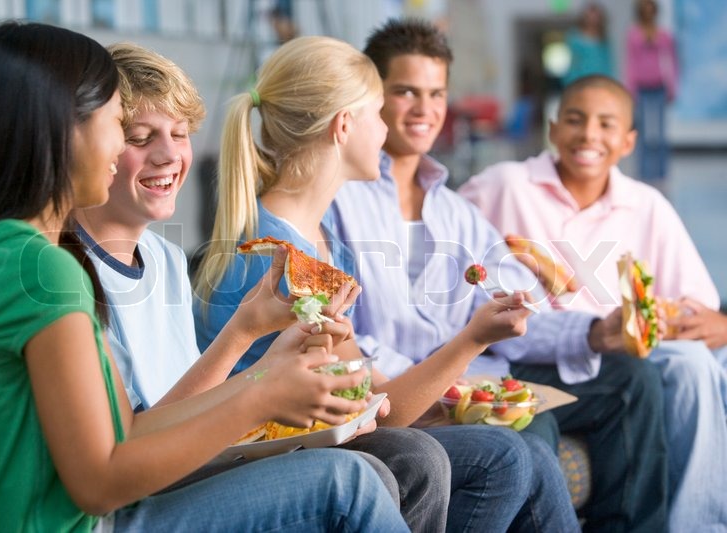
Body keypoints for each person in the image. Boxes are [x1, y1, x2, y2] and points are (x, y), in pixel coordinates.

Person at [0, 21, 408, 532]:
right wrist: (261, 397)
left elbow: (127, 434)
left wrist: (265, 371)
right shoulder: (43, 270)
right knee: (348, 483)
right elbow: (100, 483)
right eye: (122, 128)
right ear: (59, 129)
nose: (120, 151)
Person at [193, 33, 580, 532]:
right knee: (499, 457)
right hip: (268, 455)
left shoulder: (322, 236)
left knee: (519, 451)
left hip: (321, 434)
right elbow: (378, 410)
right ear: (344, 126)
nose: (385, 130)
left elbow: (377, 394)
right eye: (378, 113)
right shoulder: (283, 259)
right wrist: (472, 340)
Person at [73, 41, 451, 530]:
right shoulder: (68, 277)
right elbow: (131, 449)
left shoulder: (164, 257)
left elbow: (183, 406)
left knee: (413, 458)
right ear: (96, 146)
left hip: (182, 460)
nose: (168, 154)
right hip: (134, 497)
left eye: (181, 133)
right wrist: (262, 382)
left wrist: (260, 350)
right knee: (360, 478)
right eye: (141, 137)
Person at [328, 19, 670, 532]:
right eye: (406, 92)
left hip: (470, 375)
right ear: (372, 98)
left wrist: (596, 331)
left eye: (436, 93)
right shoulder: (339, 203)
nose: (425, 109)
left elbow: (512, 305)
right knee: (535, 428)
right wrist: (447, 375)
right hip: (407, 389)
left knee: (633, 379)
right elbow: (345, 338)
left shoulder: (453, 209)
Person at [460, 74, 727, 530]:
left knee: (694, 364)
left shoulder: (647, 205)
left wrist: (716, 323)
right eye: (576, 120)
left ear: (627, 141)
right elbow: (448, 239)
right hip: (529, 352)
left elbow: (697, 305)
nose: (588, 135)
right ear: (553, 129)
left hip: (619, 351)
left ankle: (697, 525)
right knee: (640, 376)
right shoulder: (504, 185)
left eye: (606, 125)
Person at [625, 0, 678, 182]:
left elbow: (671, 63)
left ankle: (661, 172)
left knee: (661, 134)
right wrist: (630, 89)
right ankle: (643, 172)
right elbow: (631, 63)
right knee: (643, 133)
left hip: (660, 87)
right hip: (641, 88)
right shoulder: (634, 35)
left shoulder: (664, 36)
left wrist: (672, 87)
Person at [562, 2, 614, 87]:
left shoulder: (603, 39)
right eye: (590, 15)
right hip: (581, 84)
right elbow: (571, 65)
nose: (593, 19)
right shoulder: (574, 38)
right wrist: (571, 84)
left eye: (596, 16)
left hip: (601, 84)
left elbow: (608, 64)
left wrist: (610, 83)